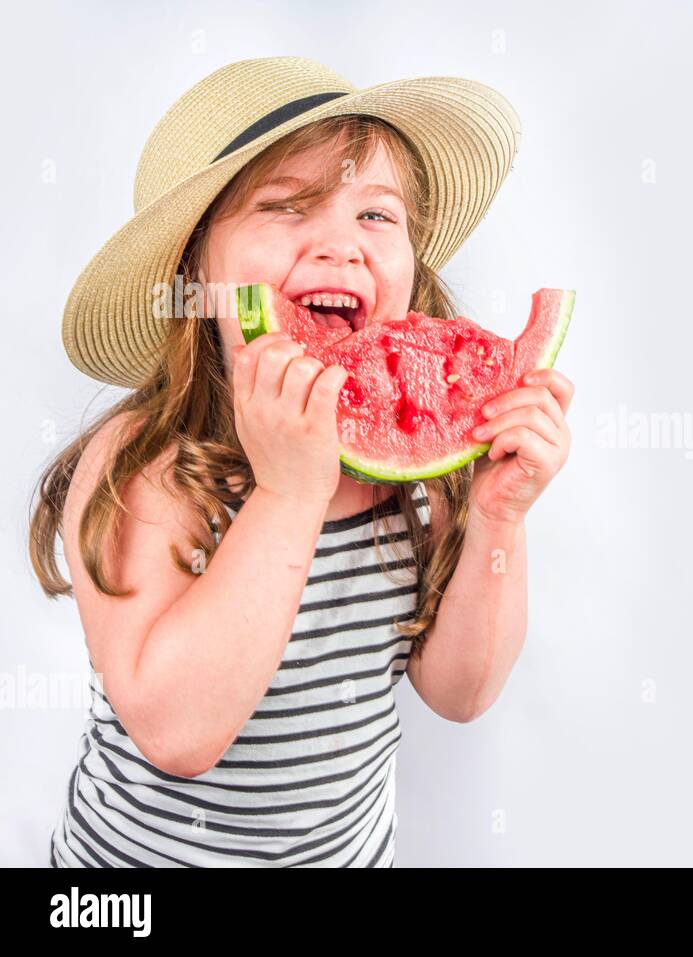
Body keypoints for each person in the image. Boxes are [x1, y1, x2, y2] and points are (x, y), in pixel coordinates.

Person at [29, 57, 573, 867]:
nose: (343, 247)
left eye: (378, 216)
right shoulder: (147, 468)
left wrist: (499, 515)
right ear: (197, 274)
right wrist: (287, 490)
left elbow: (460, 693)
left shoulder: (422, 478)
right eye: (286, 206)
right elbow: (178, 733)